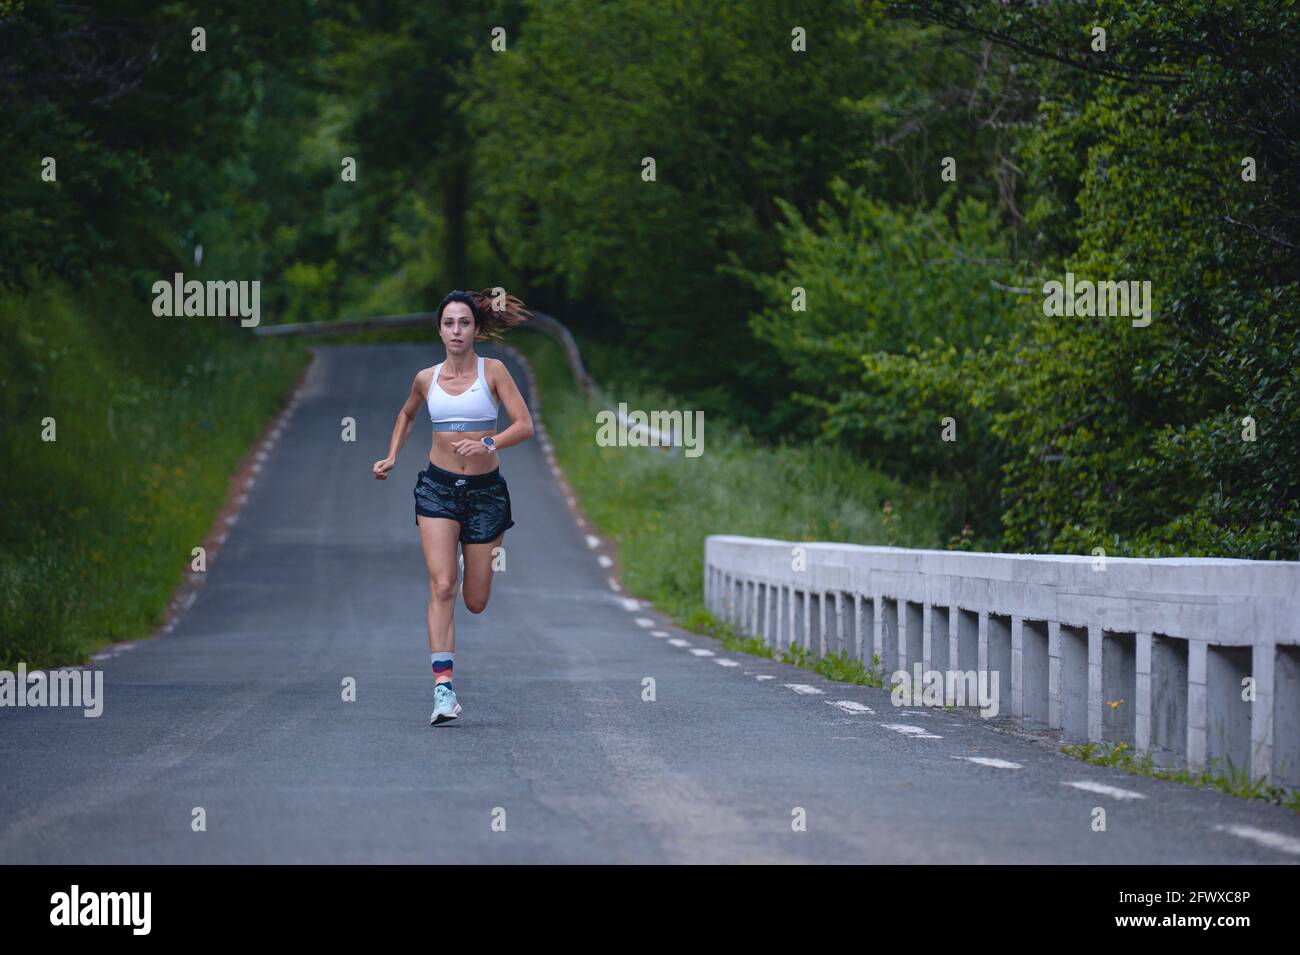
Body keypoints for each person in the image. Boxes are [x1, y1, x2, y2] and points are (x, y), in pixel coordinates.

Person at [372, 289, 534, 724]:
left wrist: (488, 442)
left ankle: (480, 551)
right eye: (449, 323)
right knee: (442, 585)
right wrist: (392, 455)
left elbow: (524, 425)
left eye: (464, 323)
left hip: (485, 493)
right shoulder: (426, 379)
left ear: (475, 329)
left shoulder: (493, 371)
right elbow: (407, 415)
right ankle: (443, 691)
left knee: (475, 600)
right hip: (438, 490)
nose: (456, 331)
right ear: (439, 329)